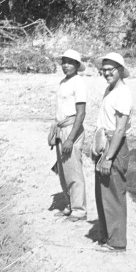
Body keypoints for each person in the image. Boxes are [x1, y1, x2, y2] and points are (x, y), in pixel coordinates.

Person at [93, 52, 133, 251]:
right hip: (104, 144)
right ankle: (107, 236)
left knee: (114, 193)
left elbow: (120, 129)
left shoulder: (123, 93)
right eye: (104, 70)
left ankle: (117, 242)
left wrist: (109, 157)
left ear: (120, 71)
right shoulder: (109, 90)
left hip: (114, 147)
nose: (107, 73)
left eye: (111, 70)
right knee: (103, 193)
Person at [46, 49, 87, 220]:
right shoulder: (63, 82)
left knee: (73, 170)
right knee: (63, 170)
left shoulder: (79, 83)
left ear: (77, 65)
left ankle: (79, 209)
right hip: (61, 128)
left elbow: (81, 113)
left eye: (70, 62)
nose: (66, 65)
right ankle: (69, 204)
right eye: (64, 62)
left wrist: (70, 138)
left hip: (71, 129)